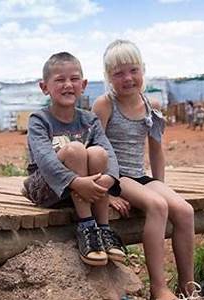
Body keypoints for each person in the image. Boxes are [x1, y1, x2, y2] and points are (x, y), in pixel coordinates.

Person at [92, 40, 195, 300]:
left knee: (184, 210)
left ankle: (187, 286)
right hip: (114, 177)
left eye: (133, 70)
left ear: (143, 70)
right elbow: (92, 151)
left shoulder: (153, 106)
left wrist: (161, 185)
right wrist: (108, 194)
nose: (128, 78)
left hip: (140, 175)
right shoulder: (104, 105)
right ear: (108, 77)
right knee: (158, 207)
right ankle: (158, 287)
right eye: (119, 73)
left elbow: (156, 151)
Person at [22, 52, 127, 267]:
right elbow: (45, 161)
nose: (68, 85)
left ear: (84, 84)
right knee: (75, 150)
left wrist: (109, 179)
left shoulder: (89, 120)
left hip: (83, 189)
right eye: (59, 80)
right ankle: (87, 226)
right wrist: (76, 182)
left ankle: (103, 229)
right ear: (44, 87)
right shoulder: (39, 120)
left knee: (98, 153)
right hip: (47, 187)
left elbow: (110, 153)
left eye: (74, 79)